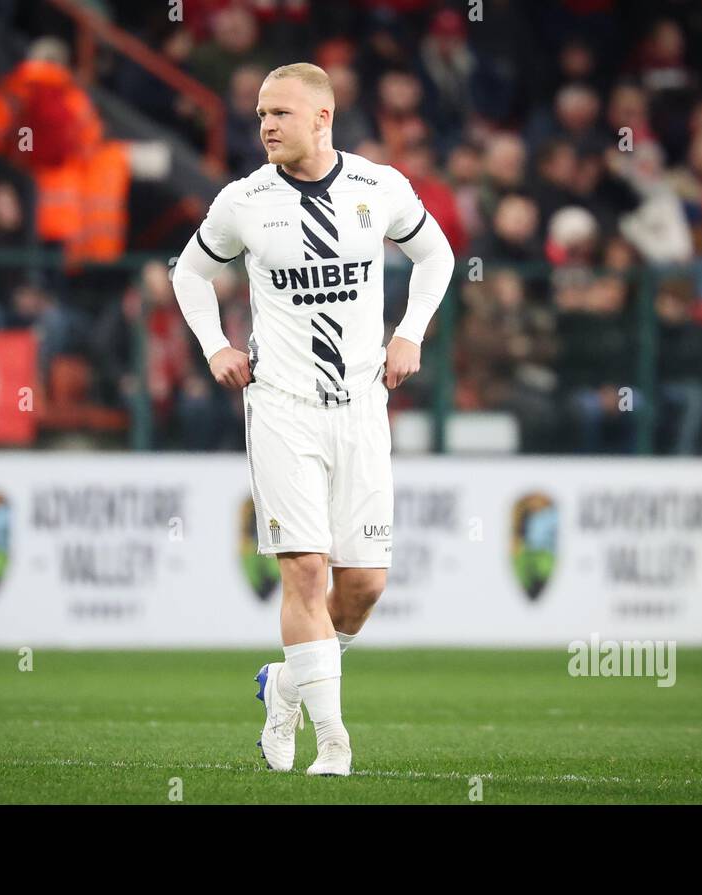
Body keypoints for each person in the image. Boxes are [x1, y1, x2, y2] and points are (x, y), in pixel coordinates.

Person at [171, 63, 454, 777]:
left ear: (322, 119)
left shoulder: (378, 187)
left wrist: (411, 330)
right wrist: (214, 347)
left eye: (282, 113)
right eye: (261, 113)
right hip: (282, 408)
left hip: (361, 408)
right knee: (304, 570)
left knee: (362, 588)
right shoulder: (245, 201)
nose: (266, 124)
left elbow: (436, 254)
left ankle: (287, 682)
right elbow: (189, 273)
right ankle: (333, 742)